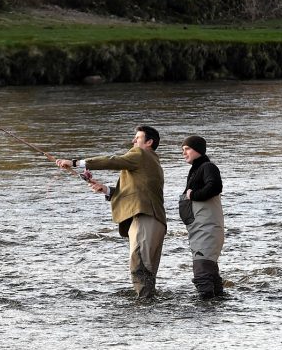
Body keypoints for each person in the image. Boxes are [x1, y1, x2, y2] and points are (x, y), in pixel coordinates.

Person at [57, 125, 166, 299]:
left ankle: (144, 311)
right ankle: (148, 305)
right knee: (147, 269)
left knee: (139, 265)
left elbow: (113, 160)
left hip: (146, 218)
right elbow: (137, 192)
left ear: (149, 142)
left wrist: (76, 163)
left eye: (137, 138)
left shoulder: (141, 154)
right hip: (153, 220)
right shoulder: (151, 161)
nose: (133, 141)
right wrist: (107, 190)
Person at [179, 135, 225, 299]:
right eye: (183, 150)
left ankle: (205, 313)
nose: (184, 153)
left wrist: (194, 195)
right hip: (200, 229)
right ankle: (218, 305)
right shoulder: (196, 170)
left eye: (187, 149)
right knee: (210, 273)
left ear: (198, 150)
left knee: (202, 272)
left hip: (207, 229)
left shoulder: (207, 167)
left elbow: (215, 186)